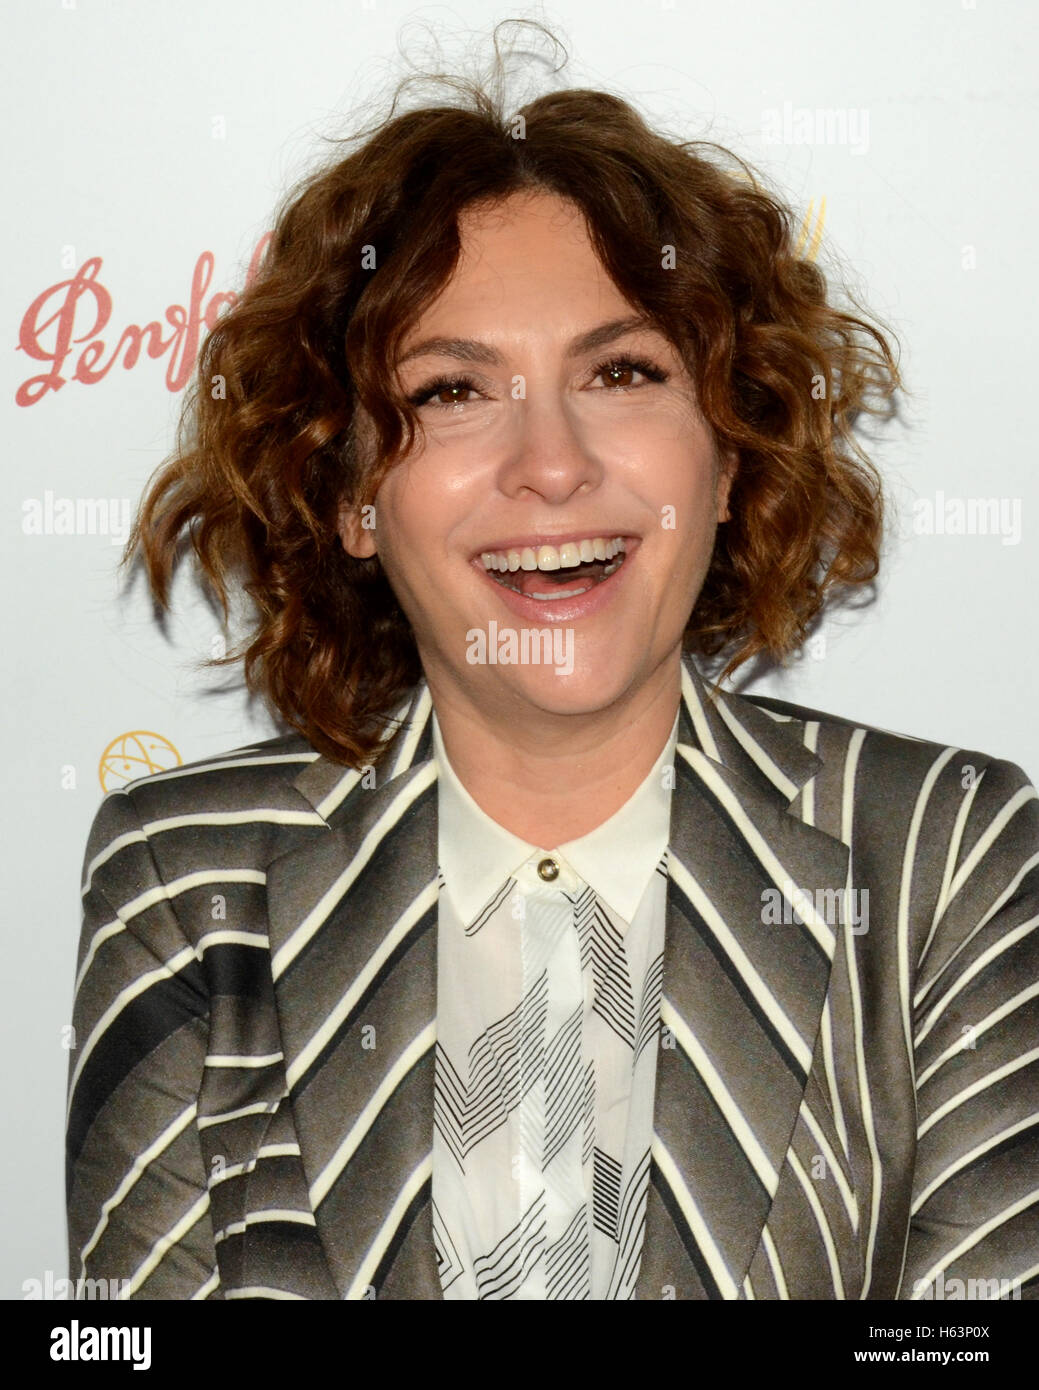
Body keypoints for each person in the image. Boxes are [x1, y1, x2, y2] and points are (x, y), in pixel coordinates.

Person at [66, 30, 1039, 1301]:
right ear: (353, 493)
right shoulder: (181, 872)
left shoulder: (941, 855)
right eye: (457, 390)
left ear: (729, 456)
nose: (554, 463)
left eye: (623, 371)